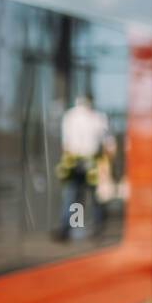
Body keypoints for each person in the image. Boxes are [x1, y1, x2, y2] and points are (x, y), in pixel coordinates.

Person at [55, 94, 109, 240]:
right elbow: (105, 141)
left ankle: (73, 227)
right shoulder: (97, 117)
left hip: (77, 160)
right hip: (87, 160)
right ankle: (85, 227)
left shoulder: (71, 116)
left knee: (74, 195)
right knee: (85, 196)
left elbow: (65, 143)